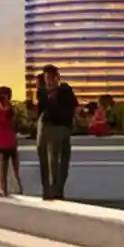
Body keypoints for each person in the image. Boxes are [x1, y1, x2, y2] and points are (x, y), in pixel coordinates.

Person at [36, 65, 79, 200]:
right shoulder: (42, 92)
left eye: (51, 77)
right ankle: (48, 190)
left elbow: (73, 108)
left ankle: (57, 190)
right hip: (46, 128)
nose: (49, 80)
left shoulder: (65, 90)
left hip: (61, 128)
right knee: (46, 160)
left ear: (57, 77)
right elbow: (40, 111)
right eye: (46, 78)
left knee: (59, 161)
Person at [0, 87, 25, 197]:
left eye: (6, 94)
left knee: (14, 169)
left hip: (11, 142)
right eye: (2, 94)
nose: (4, 97)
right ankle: (3, 190)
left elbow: (16, 122)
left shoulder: (13, 108)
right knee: (2, 169)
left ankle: (18, 189)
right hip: (0, 142)